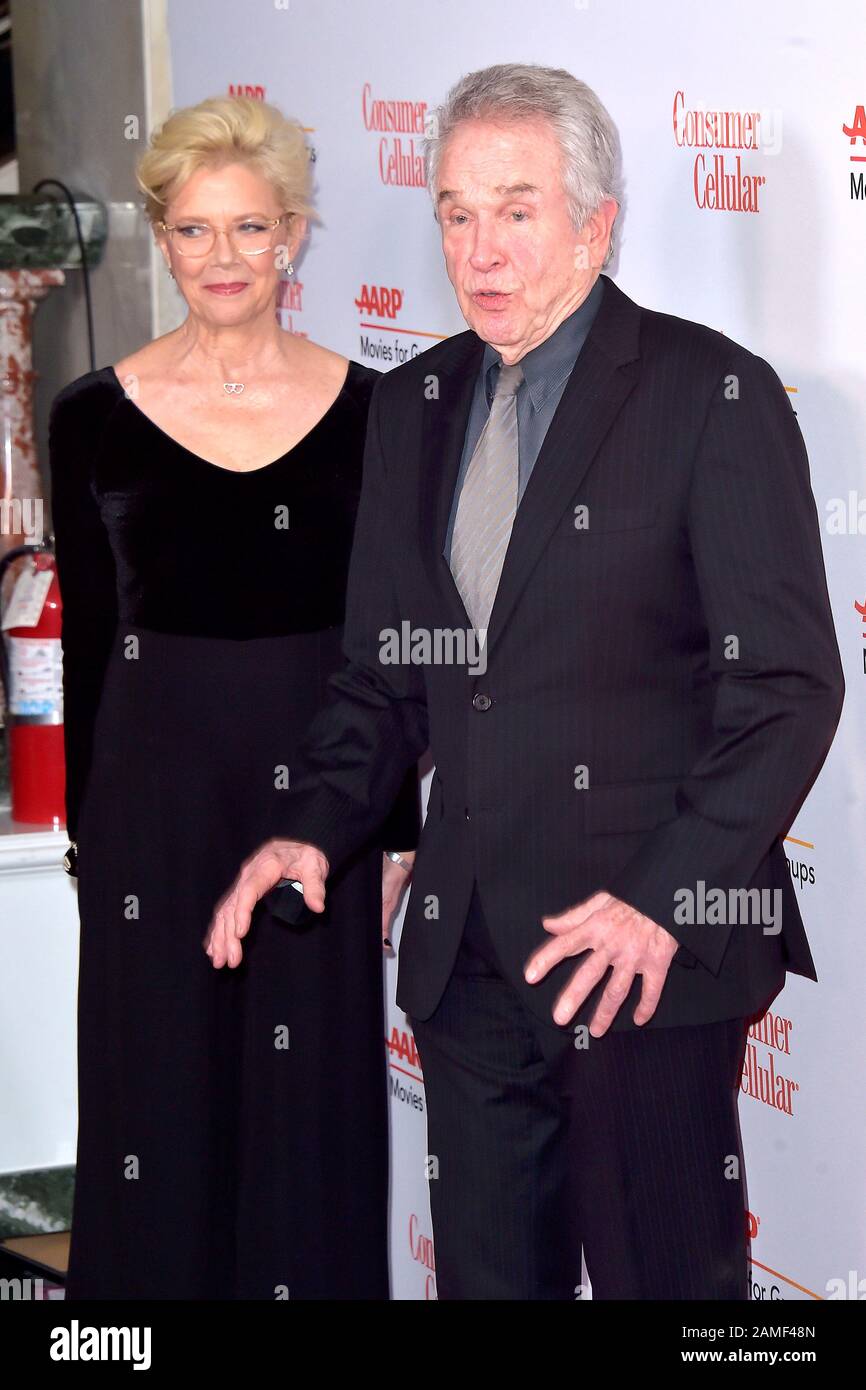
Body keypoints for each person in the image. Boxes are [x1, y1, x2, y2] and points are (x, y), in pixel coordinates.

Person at [205, 65, 844, 1300]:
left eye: (515, 209)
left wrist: (660, 902)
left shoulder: (706, 394)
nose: (477, 248)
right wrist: (316, 825)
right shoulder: (414, 402)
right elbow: (389, 678)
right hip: (470, 963)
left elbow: (785, 686)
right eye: (454, 211)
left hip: (642, 958)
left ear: (595, 222)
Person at [49, 94, 418, 1300]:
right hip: (150, 801)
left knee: (306, 1106)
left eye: (249, 229)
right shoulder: (93, 419)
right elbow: (97, 641)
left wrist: (392, 832)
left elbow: (393, 649)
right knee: (155, 1101)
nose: (221, 258)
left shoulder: (376, 416)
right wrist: (87, 840)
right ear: (161, 236)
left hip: (317, 797)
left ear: (295, 236)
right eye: (195, 230)